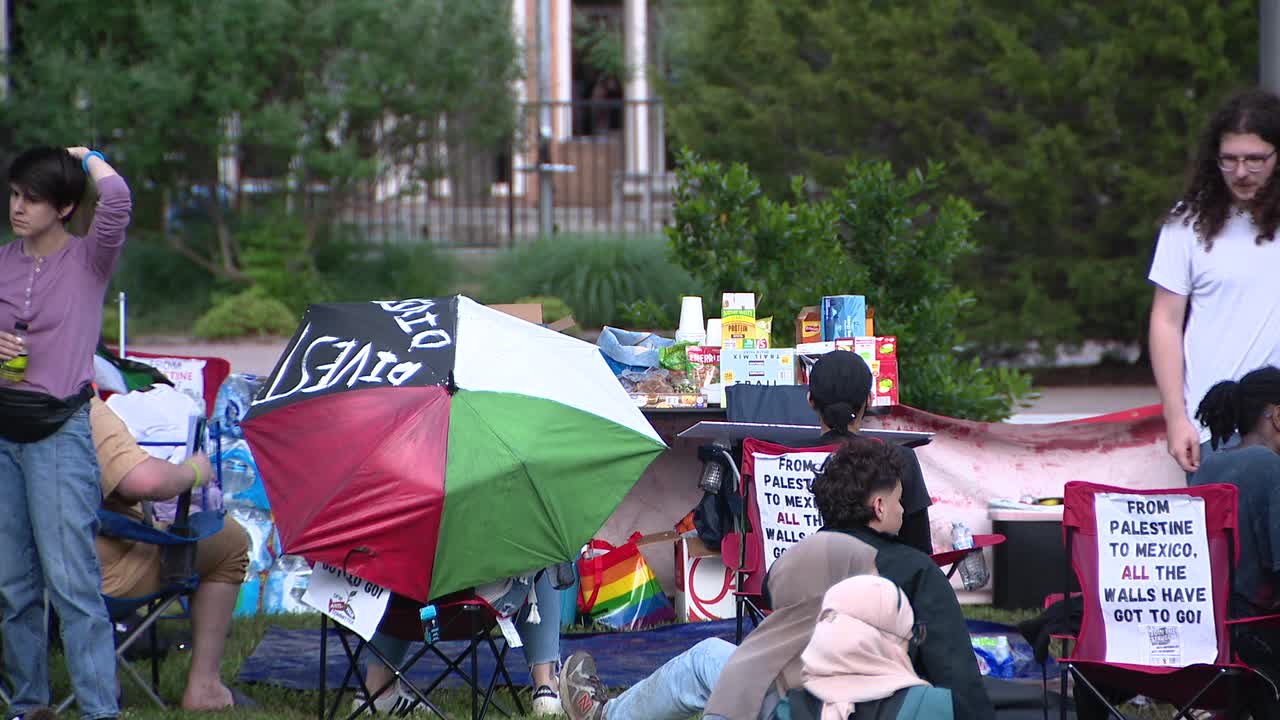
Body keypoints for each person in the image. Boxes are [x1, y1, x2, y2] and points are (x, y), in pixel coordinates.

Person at [559, 438, 992, 720]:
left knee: (713, 662)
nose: (902, 510)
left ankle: (605, 715)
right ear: (879, 507)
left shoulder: (802, 562)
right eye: (899, 501)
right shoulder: (919, 573)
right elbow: (964, 693)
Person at [0, 146, 131, 720]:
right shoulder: (3, 263)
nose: (17, 207)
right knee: (13, 588)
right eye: (13, 195)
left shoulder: (88, 261)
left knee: (73, 584)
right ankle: (29, 706)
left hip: (60, 432)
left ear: (65, 207)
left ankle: (100, 710)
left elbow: (117, 199)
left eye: (32, 198)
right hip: (4, 432)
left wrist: (88, 156)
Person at [90, 397, 253, 711]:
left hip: (25, 578)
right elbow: (144, 482)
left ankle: (32, 686)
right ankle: (205, 688)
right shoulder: (75, 405)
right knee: (230, 540)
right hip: (94, 575)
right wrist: (193, 471)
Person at [1148, 89, 1280, 476]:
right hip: (1217, 428)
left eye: (1255, 159)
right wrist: (1176, 418)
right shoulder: (1187, 222)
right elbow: (1165, 321)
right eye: (1229, 159)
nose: (1240, 172)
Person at [355, 571, 566, 716]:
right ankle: (545, 687)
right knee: (547, 543)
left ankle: (377, 689)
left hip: (405, 609)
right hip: (477, 607)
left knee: (393, 545)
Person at [806, 350, 933, 553]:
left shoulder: (770, 456)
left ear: (810, 399)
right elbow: (920, 551)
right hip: (882, 572)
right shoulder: (898, 459)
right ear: (870, 400)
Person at [785, 575, 950, 720]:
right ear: (886, 638)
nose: (910, 641)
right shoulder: (928, 705)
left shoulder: (785, 707)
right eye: (907, 631)